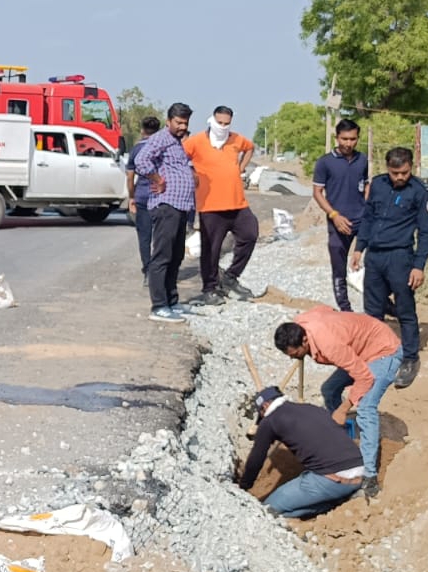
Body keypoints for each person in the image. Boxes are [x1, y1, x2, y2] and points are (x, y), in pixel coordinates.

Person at [274, 306, 402, 497]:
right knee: (329, 389)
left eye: (295, 353)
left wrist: (343, 409)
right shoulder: (301, 321)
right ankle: (346, 443)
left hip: (382, 351)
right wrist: (343, 325)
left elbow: (365, 377)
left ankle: (369, 478)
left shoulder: (330, 345)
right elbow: (324, 308)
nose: (292, 358)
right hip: (358, 352)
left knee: (365, 407)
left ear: (305, 340)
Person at [351, 147, 428, 389]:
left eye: (404, 172)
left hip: (401, 257)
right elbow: (368, 218)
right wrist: (359, 248)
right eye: (395, 173)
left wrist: (419, 266)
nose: (400, 177)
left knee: (405, 311)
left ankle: (410, 358)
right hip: (375, 257)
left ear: (411, 167)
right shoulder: (377, 185)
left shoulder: (420, 192)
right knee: (373, 311)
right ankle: (376, 355)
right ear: (387, 169)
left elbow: (426, 233)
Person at [239, 386, 364, 517]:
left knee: (267, 510)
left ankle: (331, 503)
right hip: (360, 473)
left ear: (265, 406)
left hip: (332, 480)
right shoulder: (312, 408)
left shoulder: (270, 420)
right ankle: (340, 500)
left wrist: (244, 486)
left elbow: (256, 459)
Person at [183, 105, 258, 306]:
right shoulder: (196, 142)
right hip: (211, 205)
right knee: (211, 250)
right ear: (212, 120)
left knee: (250, 234)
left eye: (227, 123)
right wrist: (191, 172)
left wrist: (240, 169)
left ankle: (231, 277)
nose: (223, 127)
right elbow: (181, 157)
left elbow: (250, 148)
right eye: (220, 123)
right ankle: (209, 288)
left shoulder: (236, 139)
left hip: (237, 203)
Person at [134, 103, 195, 323]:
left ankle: (172, 301)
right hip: (166, 205)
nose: (182, 126)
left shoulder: (177, 142)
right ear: (168, 121)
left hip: (180, 206)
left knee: (176, 256)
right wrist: (157, 179)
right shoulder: (161, 138)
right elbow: (141, 161)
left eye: (185, 123)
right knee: (162, 256)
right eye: (178, 122)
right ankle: (159, 306)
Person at [312, 119, 369, 311]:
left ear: (357, 139)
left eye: (352, 139)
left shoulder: (362, 159)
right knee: (339, 267)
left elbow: (365, 184)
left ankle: (384, 305)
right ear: (337, 138)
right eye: (344, 139)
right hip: (338, 223)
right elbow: (317, 193)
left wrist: (368, 208)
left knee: (374, 263)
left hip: (362, 220)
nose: (348, 143)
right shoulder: (325, 162)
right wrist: (334, 215)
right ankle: (345, 309)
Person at [126, 116, 161, 286]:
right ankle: (160, 271)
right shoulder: (162, 148)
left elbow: (130, 177)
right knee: (161, 236)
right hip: (161, 196)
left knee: (144, 237)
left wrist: (131, 197)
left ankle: (148, 271)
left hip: (142, 196)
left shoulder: (136, 150)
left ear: (142, 130)